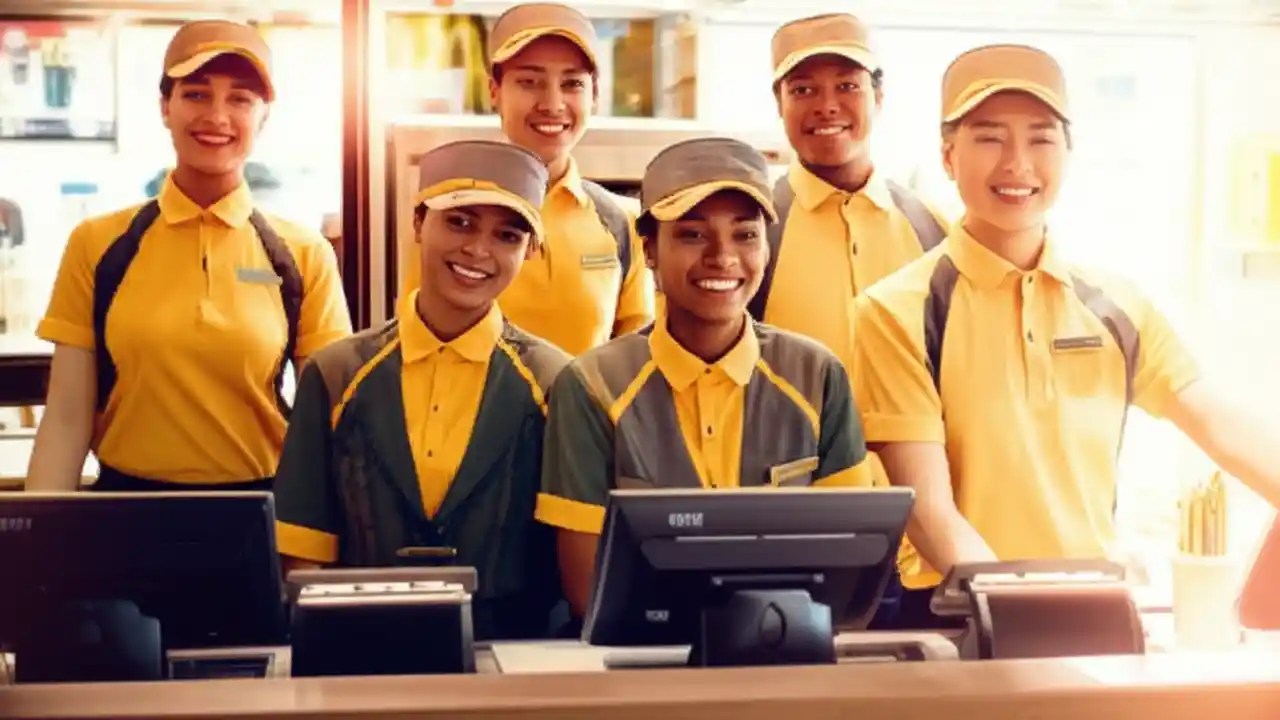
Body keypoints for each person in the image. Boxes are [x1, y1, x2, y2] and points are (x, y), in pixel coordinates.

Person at [852, 44, 1280, 629]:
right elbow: (929, 513)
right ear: (949, 155)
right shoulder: (897, 311)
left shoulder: (1117, 305)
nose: (1017, 164)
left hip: (1093, 608)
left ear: (1069, 152)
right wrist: (1021, 613)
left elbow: (1218, 423)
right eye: (990, 137)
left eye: (1041, 138)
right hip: (957, 616)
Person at [536, 137, 874, 617]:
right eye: (693, 234)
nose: (723, 256)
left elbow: (847, 570)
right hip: (645, 668)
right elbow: (589, 590)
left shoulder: (818, 377)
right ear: (649, 248)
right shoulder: (591, 388)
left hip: (785, 657)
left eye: (745, 234)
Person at [27, 19, 351, 492]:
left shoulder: (303, 254)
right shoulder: (97, 244)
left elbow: (329, 429)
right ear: (165, 107)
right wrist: (37, 545)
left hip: (261, 512)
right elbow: (66, 420)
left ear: (264, 116)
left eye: (240, 99)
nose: (217, 116)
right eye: (196, 94)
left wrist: (320, 555)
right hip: (126, 509)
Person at [273, 140, 569, 641]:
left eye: (507, 235)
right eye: (459, 222)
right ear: (417, 223)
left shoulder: (554, 381)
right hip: (359, 643)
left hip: (512, 649)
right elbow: (304, 542)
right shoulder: (337, 372)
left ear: (530, 251)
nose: (478, 250)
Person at [403, 2, 654, 357]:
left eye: (572, 84)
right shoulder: (448, 211)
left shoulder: (622, 223)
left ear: (594, 95)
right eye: (529, 82)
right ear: (494, 90)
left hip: (583, 414)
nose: (552, 104)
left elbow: (633, 363)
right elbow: (418, 349)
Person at [753, 12, 948, 356]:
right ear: (778, 103)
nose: (827, 107)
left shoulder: (935, 229)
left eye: (847, 86)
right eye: (803, 90)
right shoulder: (753, 228)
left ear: (879, 95)